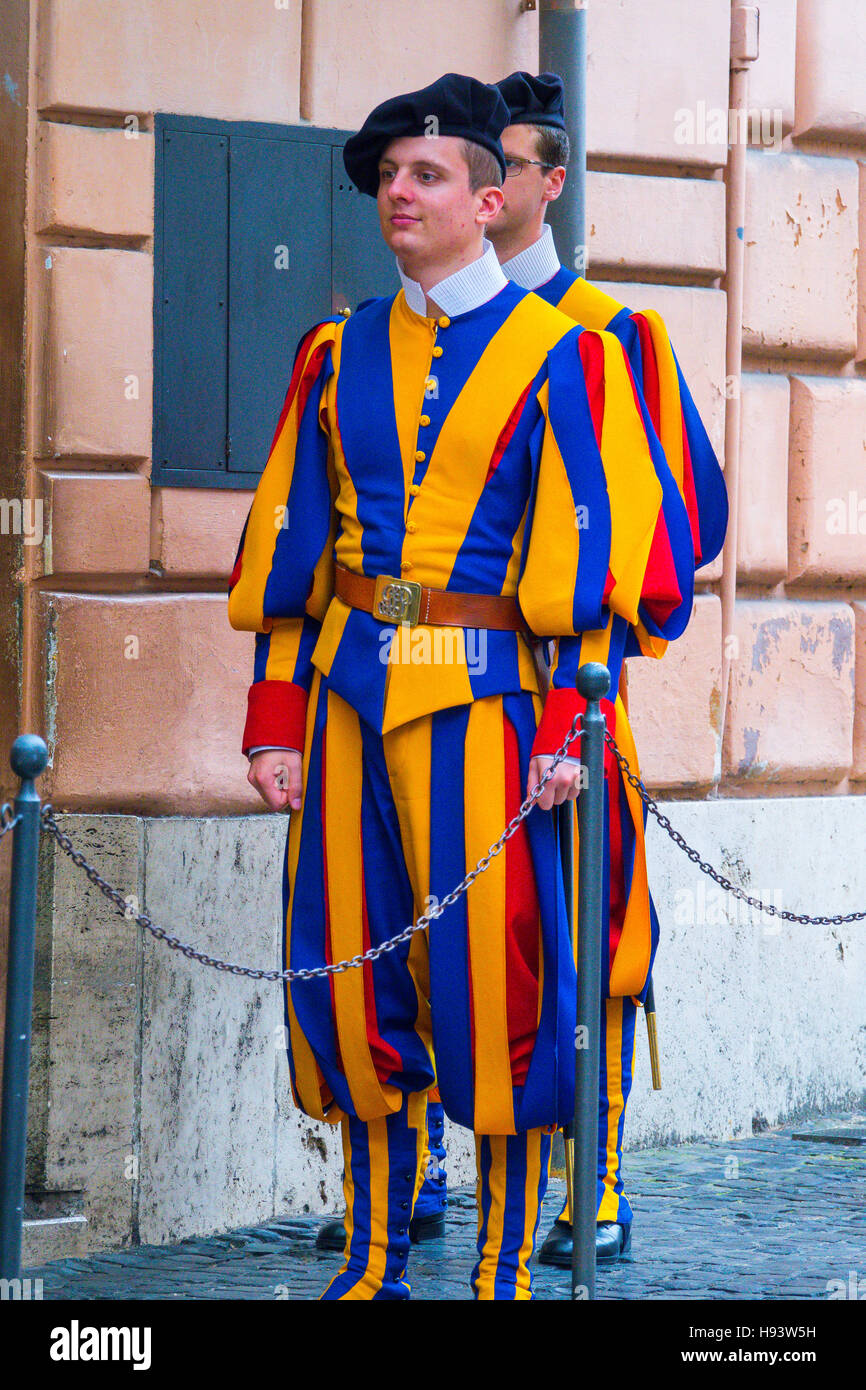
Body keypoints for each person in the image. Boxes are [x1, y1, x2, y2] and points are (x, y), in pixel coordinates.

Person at [228, 71, 697, 1300]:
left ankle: (498, 1276)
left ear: (490, 202)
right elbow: (296, 553)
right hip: (346, 696)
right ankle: (376, 1263)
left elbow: (593, 567)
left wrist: (566, 730)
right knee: (345, 978)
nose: (396, 190)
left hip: (489, 703)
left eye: (423, 174)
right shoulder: (331, 354)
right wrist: (273, 717)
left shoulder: (570, 356)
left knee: (498, 995)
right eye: (386, 175)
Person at [486, 69, 729, 1266]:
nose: (482, 187)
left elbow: (689, 514)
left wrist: (596, 611)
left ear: (547, 181)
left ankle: (597, 1183)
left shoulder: (613, 335)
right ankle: (436, 1174)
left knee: (591, 934)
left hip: (568, 693)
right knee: (439, 926)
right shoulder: (395, 333)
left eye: (504, 165)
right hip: (438, 687)